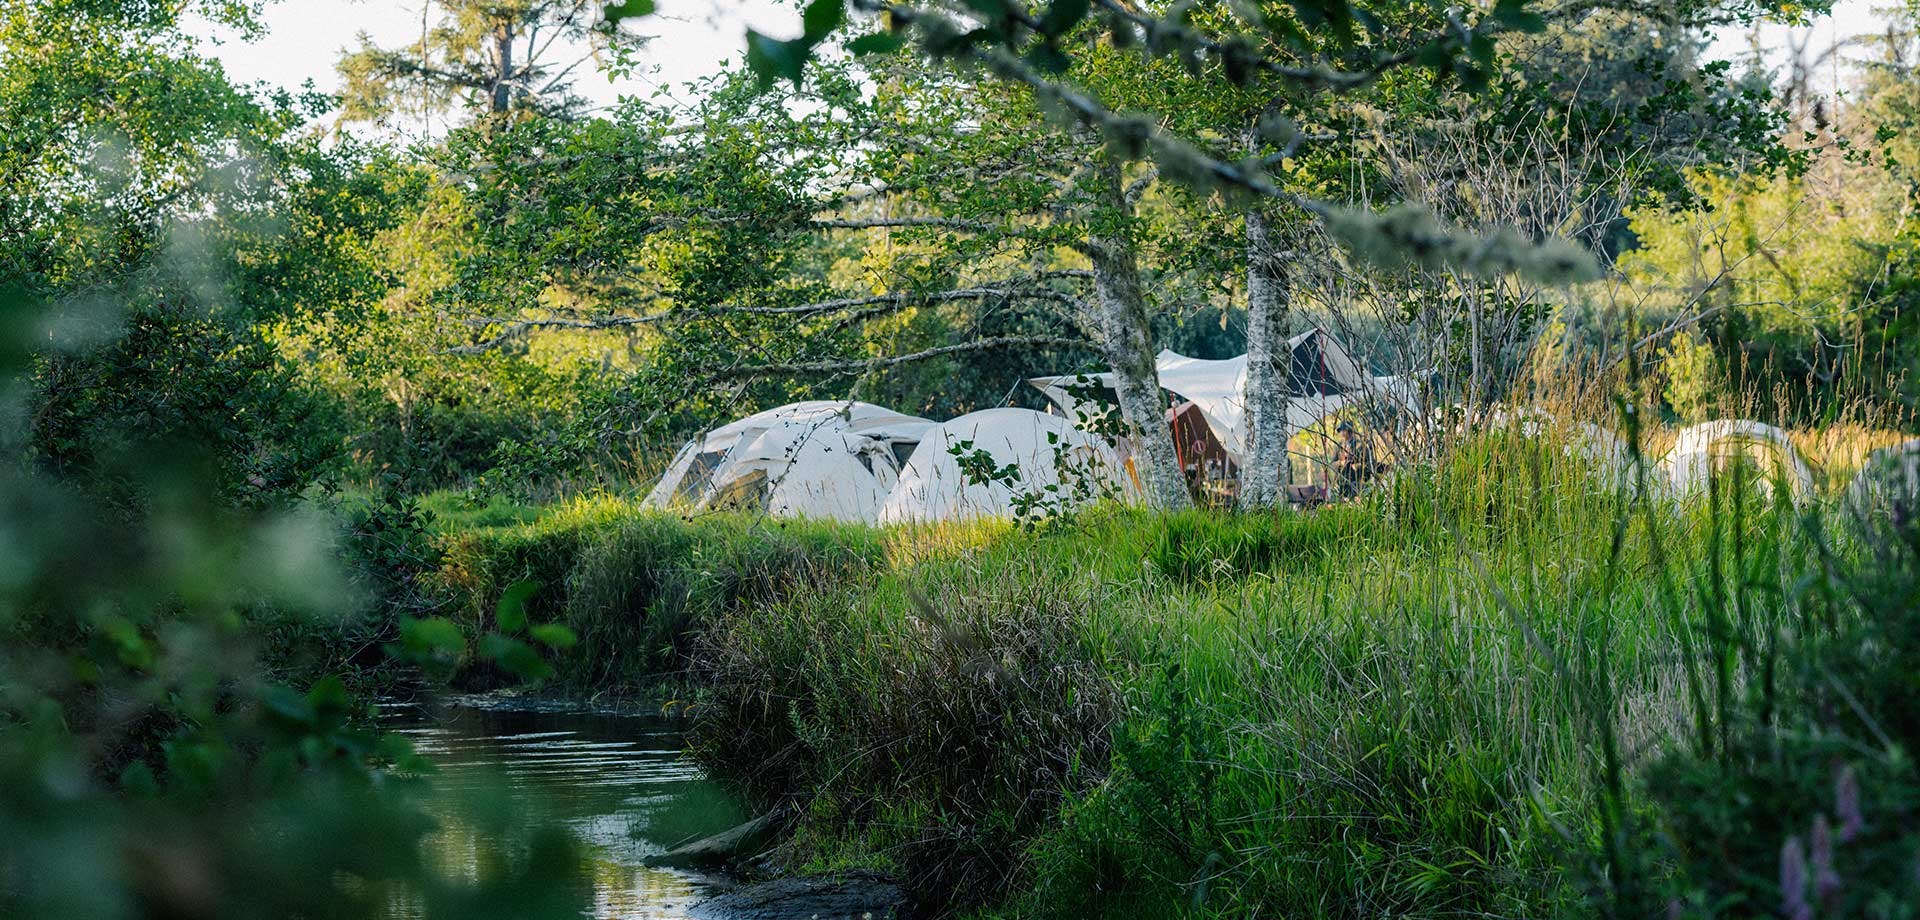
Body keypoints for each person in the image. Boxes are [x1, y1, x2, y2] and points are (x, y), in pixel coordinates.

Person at [1333, 420, 1375, 498]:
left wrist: (1356, 465)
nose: (1342, 433)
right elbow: (1332, 464)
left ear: (1349, 430)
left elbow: (1368, 463)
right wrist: (1341, 462)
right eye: (1341, 430)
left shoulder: (1360, 445)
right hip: (1342, 481)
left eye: (1344, 430)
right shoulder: (1339, 446)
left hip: (1357, 481)